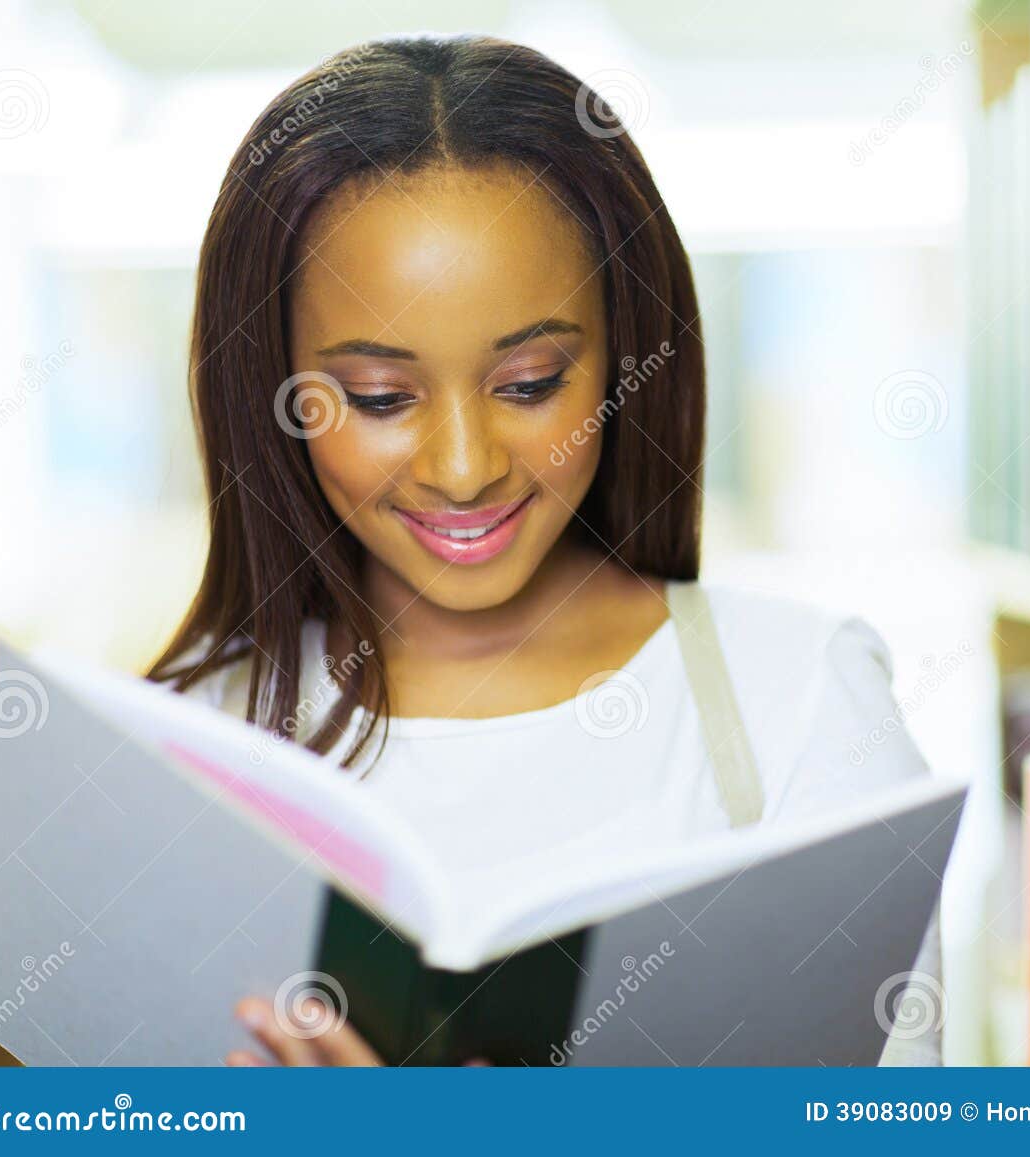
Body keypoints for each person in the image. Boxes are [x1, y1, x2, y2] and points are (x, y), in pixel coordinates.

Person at [150, 34, 942, 1066]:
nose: (467, 467)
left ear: (624, 359)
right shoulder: (180, 749)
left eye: (529, 383)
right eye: (383, 398)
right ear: (274, 394)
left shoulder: (799, 698)